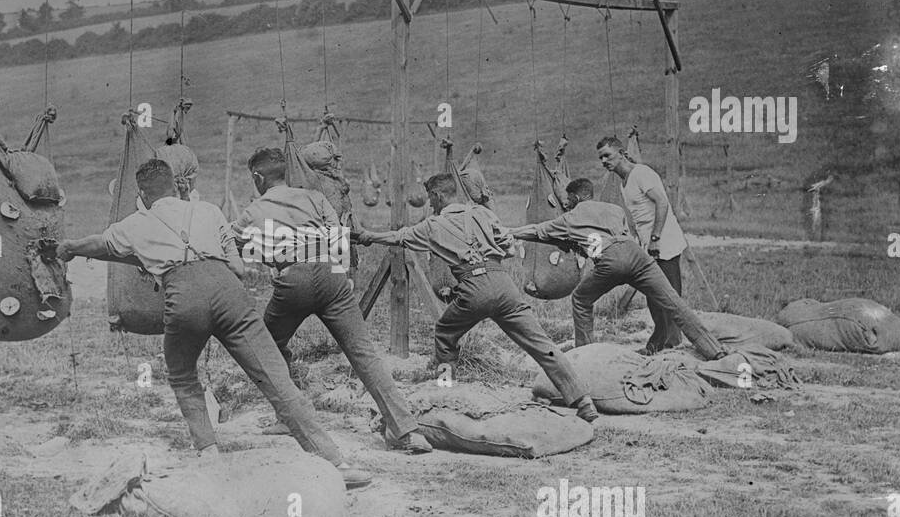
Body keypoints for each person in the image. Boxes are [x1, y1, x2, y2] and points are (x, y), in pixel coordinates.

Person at [59, 158, 371, 488]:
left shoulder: (136, 223)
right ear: (175, 186)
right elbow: (236, 266)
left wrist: (69, 248)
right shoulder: (207, 211)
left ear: (142, 193)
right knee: (275, 376)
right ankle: (335, 462)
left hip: (184, 298)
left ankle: (208, 452)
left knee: (181, 373)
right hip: (229, 292)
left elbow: (102, 244)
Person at [353, 173, 600, 422]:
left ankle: (444, 389)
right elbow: (509, 245)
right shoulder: (482, 213)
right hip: (504, 285)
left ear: (438, 196)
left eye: (431, 198)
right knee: (542, 344)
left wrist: (366, 236)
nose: (430, 204)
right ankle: (582, 399)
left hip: (473, 287)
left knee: (445, 333)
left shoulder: (433, 224)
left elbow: (398, 237)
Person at [234, 148, 432, 454]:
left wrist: (272, 259)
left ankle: (292, 418)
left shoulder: (253, 210)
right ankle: (407, 431)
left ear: (258, 178)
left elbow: (234, 247)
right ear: (285, 174)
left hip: (293, 280)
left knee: (267, 346)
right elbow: (336, 234)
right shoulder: (314, 198)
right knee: (363, 354)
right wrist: (341, 276)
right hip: (332, 276)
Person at [508, 177, 725, 360]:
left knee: (581, 300)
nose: (567, 205)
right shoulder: (615, 209)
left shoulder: (570, 218)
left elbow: (536, 231)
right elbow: (609, 236)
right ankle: (714, 350)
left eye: (568, 201)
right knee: (673, 301)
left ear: (575, 198)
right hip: (637, 256)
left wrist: (510, 232)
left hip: (611, 259)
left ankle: (585, 356)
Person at [597, 135, 688, 354]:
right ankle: (666, 342)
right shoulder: (623, 183)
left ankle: (667, 345)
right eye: (600, 158)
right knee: (653, 295)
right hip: (649, 244)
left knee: (669, 294)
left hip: (664, 241)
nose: (604, 161)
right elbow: (638, 217)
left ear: (621, 153)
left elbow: (662, 203)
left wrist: (656, 238)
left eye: (607, 155)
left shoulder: (641, 174)